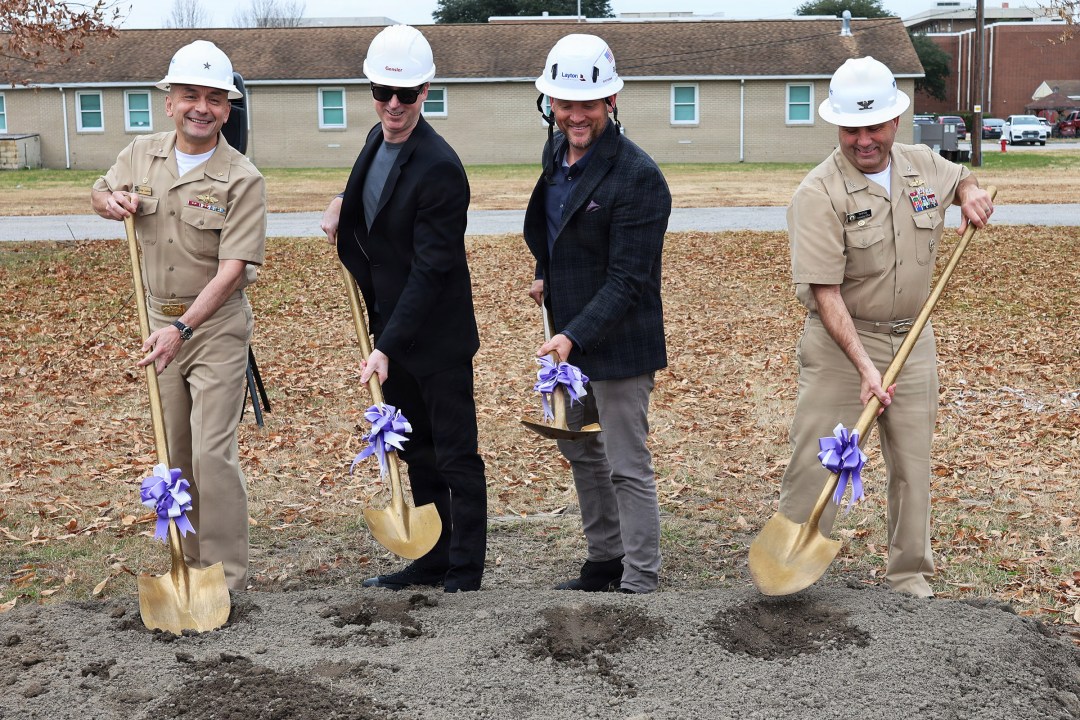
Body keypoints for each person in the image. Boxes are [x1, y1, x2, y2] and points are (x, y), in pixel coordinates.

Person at [779, 56, 994, 598]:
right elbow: (825, 294)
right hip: (841, 344)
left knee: (913, 464)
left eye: (874, 126)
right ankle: (793, 575)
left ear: (895, 120)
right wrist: (865, 367)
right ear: (838, 126)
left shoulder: (921, 163)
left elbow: (960, 176)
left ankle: (909, 578)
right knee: (820, 457)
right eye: (852, 128)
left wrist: (969, 191)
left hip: (914, 339)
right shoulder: (818, 193)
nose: (864, 139)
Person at [91, 40, 267, 591]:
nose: (202, 107)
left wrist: (181, 329)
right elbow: (100, 189)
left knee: (213, 455)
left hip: (212, 328)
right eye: (190, 94)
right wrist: (108, 202)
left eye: (215, 99)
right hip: (157, 324)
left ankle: (227, 579)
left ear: (227, 109)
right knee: (176, 453)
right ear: (168, 101)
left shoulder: (242, 179)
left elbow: (232, 271)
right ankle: (187, 570)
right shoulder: (141, 154)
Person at [320, 25, 487, 593]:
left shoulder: (441, 167)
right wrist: (345, 209)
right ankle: (433, 558)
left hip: (434, 337)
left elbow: (431, 268)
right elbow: (377, 205)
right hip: (391, 326)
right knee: (415, 449)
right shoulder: (376, 139)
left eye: (407, 94)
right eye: (382, 92)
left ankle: (464, 570)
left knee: (455, 453)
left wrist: (387, 344)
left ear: (426, 91)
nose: (393, 105)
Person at [523, 34, 672, 594]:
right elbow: (556, 229)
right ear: (550, 105)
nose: (576, 115)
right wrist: (546, 271)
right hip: (572, 338)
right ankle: (604, 559)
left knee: (625, 463)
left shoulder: (638, 177)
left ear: (611, 101)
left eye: (588, 103)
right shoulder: (555, 154)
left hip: (620, 341)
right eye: (565, 103)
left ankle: (640, 578)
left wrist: (570, 337)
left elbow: (628, 279)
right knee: (580, 448)